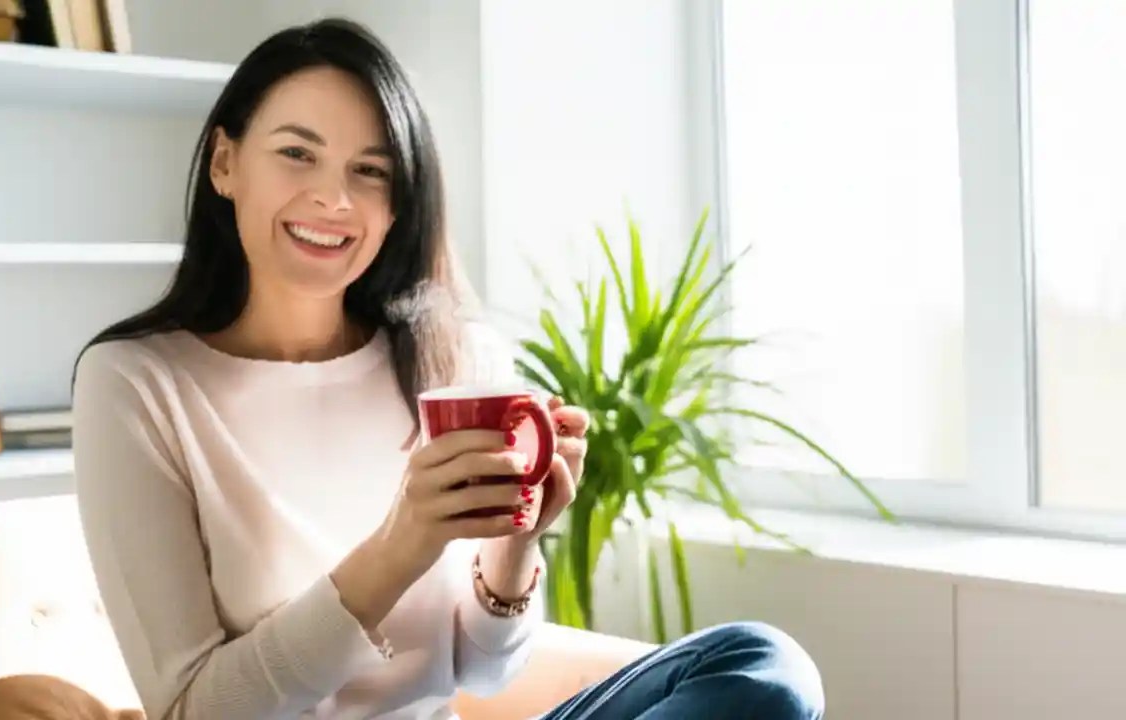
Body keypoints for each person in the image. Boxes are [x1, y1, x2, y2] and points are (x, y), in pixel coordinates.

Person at [70, 17, 824, 720]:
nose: (334, 198)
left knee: (763, 667)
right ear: (225, 162)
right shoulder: (136, 383)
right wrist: (402, 544)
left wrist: (519, 537)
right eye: (298, 153)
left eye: (371, 171)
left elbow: (486, 672)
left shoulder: (448, 361)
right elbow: (192, 709)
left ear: (399, 205)